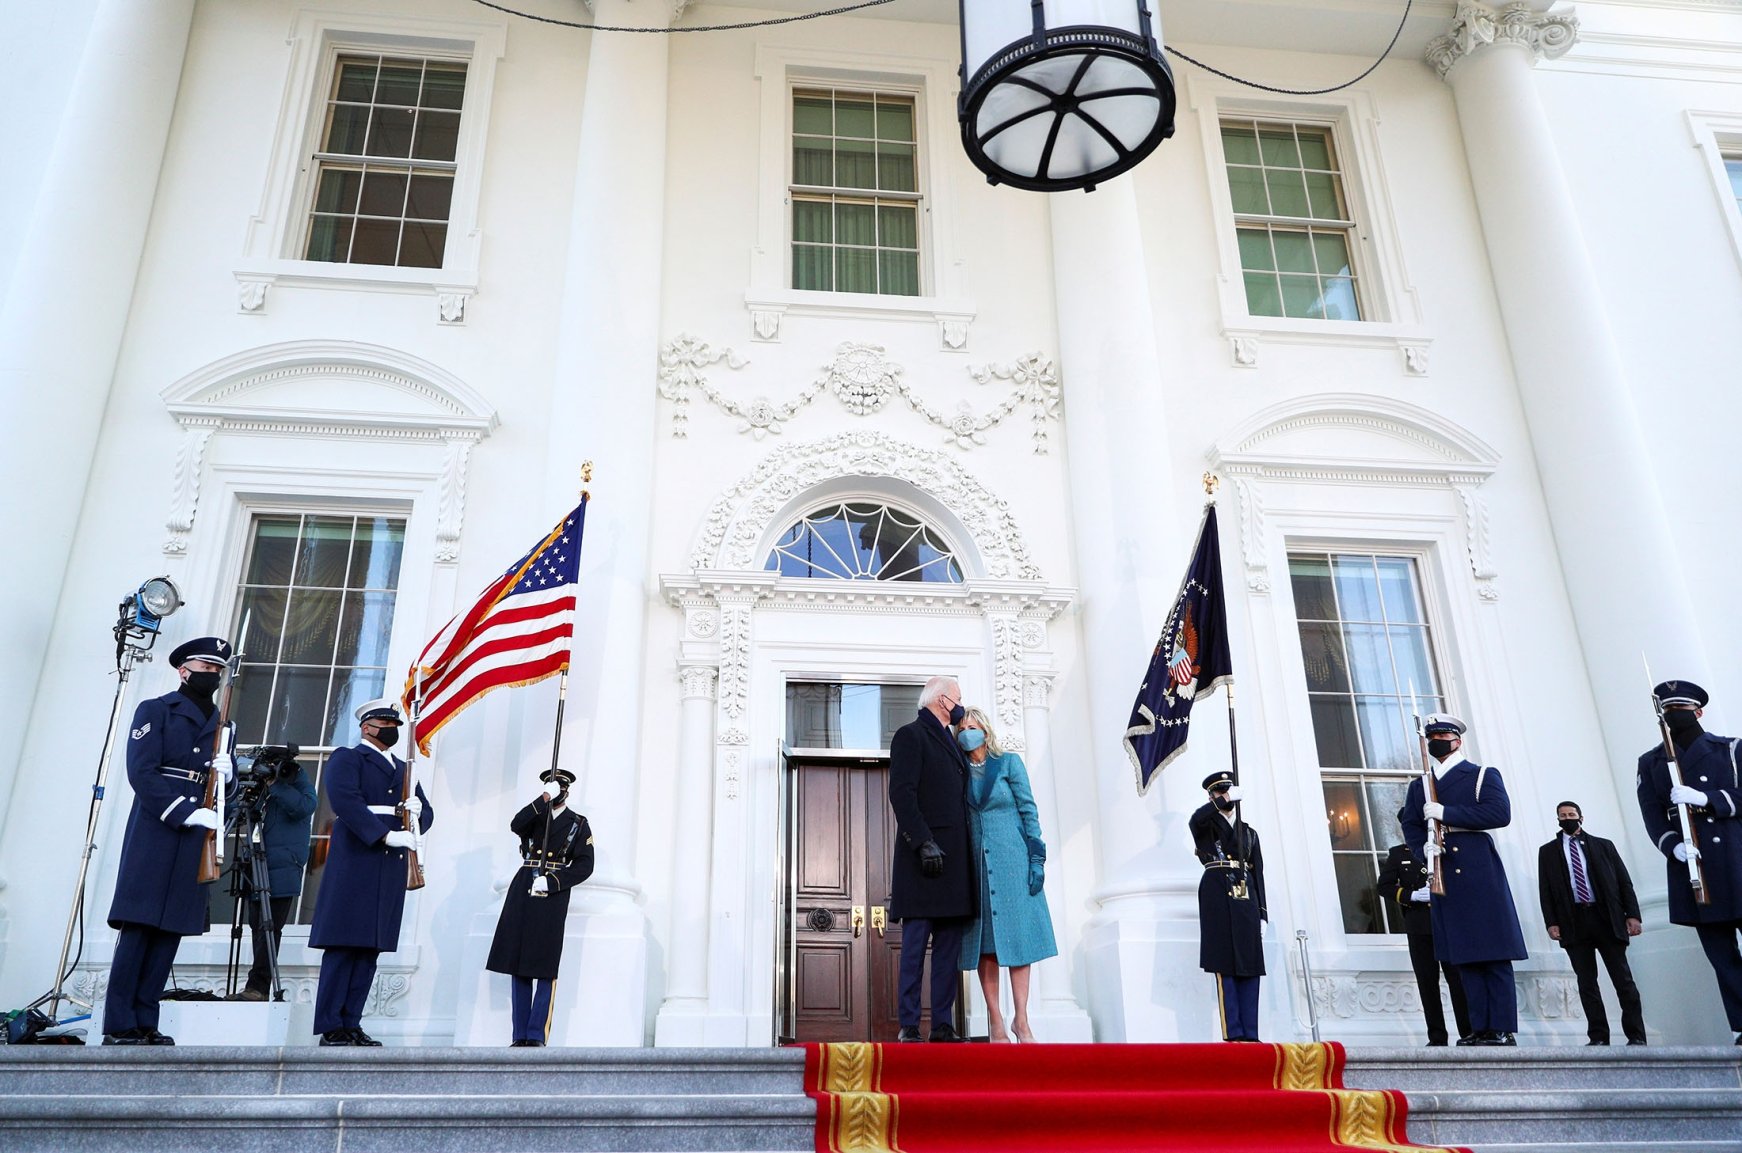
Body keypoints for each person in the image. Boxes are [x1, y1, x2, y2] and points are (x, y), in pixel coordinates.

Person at [102, 636, 235, 1045]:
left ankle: (146, 1020)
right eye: (205, 668)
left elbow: (217, 786)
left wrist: (228, 778)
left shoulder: (223, 723)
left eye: (217, 670)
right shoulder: (156, 710)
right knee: (140, 926)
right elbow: (142, 772)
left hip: (196, 833)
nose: (212, 675)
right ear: (184, 670)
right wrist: (183, 810)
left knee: (169, 931)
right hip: (158, 827)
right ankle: (120, 1024)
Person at [308, 698, 433, 1046]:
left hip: (388, 869)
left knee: (368, 951)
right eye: (385, 723)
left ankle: (351, 1022)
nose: (391, 730)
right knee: (344, 946)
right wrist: (385, 833)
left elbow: (426, 815)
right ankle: (331, 1024)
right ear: (367, 726)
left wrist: (418, 813)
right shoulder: (348, 758)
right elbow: (345, 801)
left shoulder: (404, 768)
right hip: (357, 861)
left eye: (395, 724)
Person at [1399, 713, 1527, 1046]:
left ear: (1457, 740)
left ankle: (1501, 1027)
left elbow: (1499, 813)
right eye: (1432, 737)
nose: (1436, 741)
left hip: (1477, 866)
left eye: (1443, 735)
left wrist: (1447, 813)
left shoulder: (1482, 775)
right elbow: (1411, 823)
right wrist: (1422, 848)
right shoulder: (1421, 785)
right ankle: (1477, 1027)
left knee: (1493, 951)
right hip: (1443, 866)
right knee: (1465, 954)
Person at [1636, 680, 1742, 1046]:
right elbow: (1652, 813)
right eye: (1668, 709)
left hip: (1734, 858)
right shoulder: (1651, 761)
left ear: (1698, 711)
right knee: (1721, 956)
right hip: (1694, 865)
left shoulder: (1730, 749)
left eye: (1680, 708)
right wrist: (1672, 846)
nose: (1673, 714)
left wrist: (1707, 797)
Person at [955, 707, 1056, 1043]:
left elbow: (1028, 809)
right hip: (977, 864)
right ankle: (996, 1021)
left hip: (1013, 860)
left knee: (1019, 941)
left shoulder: (1008, 762)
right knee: (987, 945)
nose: (968, 730)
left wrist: (1036, 858)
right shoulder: (959, 771)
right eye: (963, 727)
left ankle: (1022, 1020)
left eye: (974, 725)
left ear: (985, 728)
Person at [887, 675, 975, 1042]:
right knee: (914, 947)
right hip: (922, 861)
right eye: (958, 699)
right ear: (942, 701)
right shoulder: (910, 734)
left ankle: (942, 1024)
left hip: (954, 863)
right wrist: (922, 842)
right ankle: (909, 1025)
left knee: (948, 950)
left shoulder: (952, 742)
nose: (961, 706)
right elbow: (902, 794)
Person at [486, 766, 595, 1046]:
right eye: (550, 786)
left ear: (567, 790)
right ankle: (519, 1033)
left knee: (544, 963)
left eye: (558, 787)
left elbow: (585, 865)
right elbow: (515, 824)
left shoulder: (578, 823)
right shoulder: (536, 815)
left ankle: (536, 1034)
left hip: (552, 892)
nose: (555, 790)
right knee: (518, 960)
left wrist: (554, 881)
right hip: (524, 886)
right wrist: (543, 799)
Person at [1536, 801, 1646, 1045]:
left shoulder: (1603, 846)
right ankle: (1598, 1037)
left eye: (1571, 814)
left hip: (1606, 919)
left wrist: (1633, 915)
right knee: (1586, 983)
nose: (1567, 818)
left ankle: (1636, 1035)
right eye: (1563, 816)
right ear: (1557, 820)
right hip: (1574, 921)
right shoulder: (1548, 852)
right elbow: (1546, 891)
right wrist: (1551, 922)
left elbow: (1623, 882)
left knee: (1623, 981)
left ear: (1581, 817)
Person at [230, 748, 317, 1001]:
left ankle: (258, 988)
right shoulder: (261, 790)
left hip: (283, 867)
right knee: (256, 926)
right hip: (255, 864)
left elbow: (304, 807)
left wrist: (275, 782)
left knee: (270, 928)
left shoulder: (297, 781)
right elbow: (236, 812)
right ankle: (252, 986)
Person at [1190, 770, 1267, 1042]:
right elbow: (1196, 819)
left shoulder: (1249, 832)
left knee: (1250, 963)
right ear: (1211, 796)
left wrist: (1263, 914)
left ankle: (1251, 1033)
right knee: (1226, 962)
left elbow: (1257, 872)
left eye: (1229, 791)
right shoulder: (1206, 826)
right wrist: (1219, 805)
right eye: (1220, 793)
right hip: (1218, 892)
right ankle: (1233, 1032)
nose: (1226, 796)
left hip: (1246, 896)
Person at [1377, 841, 1471, 1046]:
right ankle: (1437, 1037)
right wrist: (1411, 895)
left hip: (1447, 924)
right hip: (1418, 926)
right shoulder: (1399, 853)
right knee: (1427, 983)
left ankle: (1468, 1032)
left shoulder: (1443, 847)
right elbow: (1383, 886)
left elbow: (1462, 876)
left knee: (1458, 980)